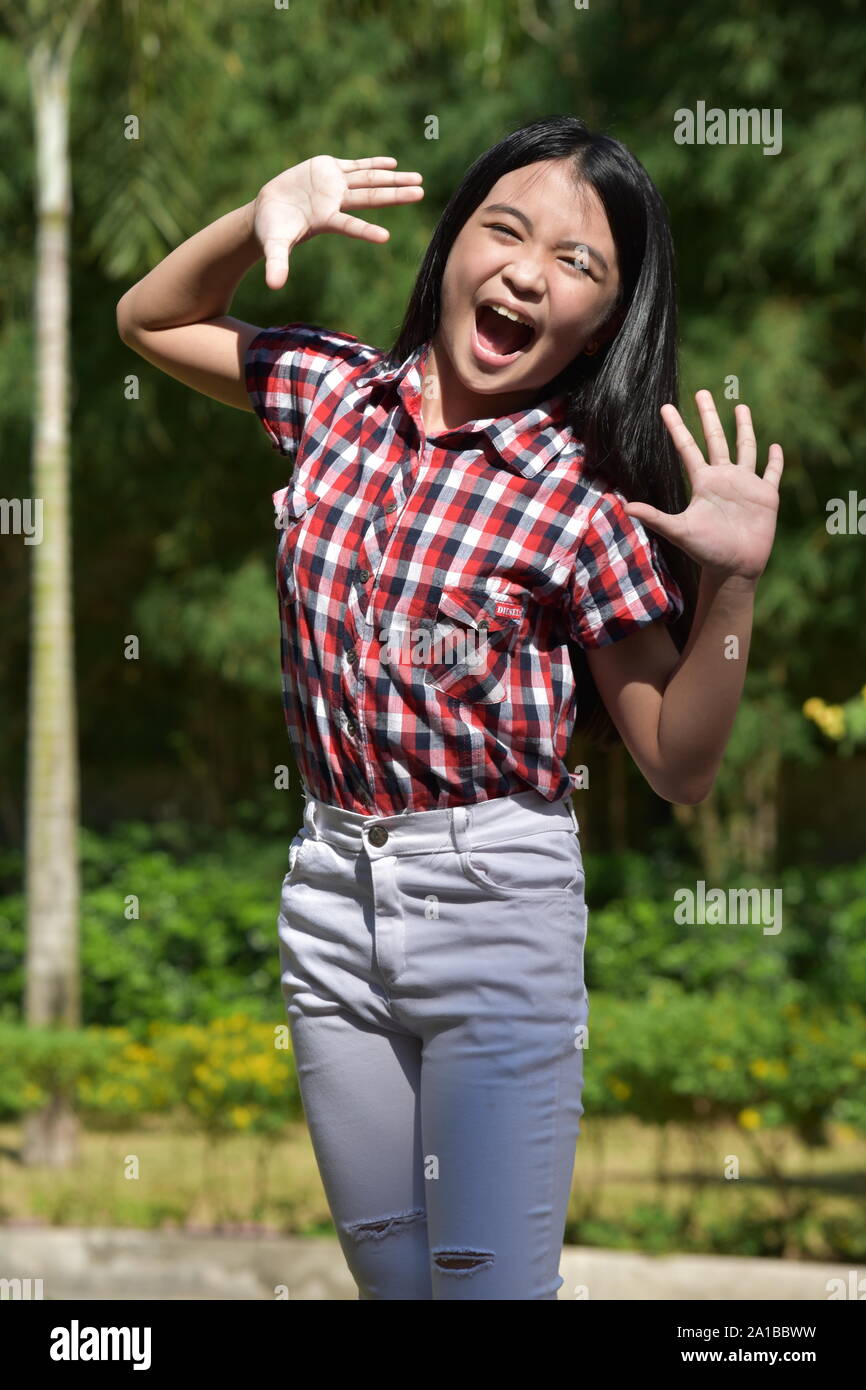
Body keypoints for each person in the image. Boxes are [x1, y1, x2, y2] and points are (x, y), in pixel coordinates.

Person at [116, 115, 784, 1300]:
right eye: (506, 230)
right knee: (398, 1293)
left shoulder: (581, 506)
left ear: (604, 321)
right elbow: (151, 320)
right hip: (330, 896)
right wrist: (259, 206)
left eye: (578, 264)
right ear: (451, 245)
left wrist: (728, 586)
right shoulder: (331, 397)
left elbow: (678, 764)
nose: (529, 272)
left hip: (495, 908)